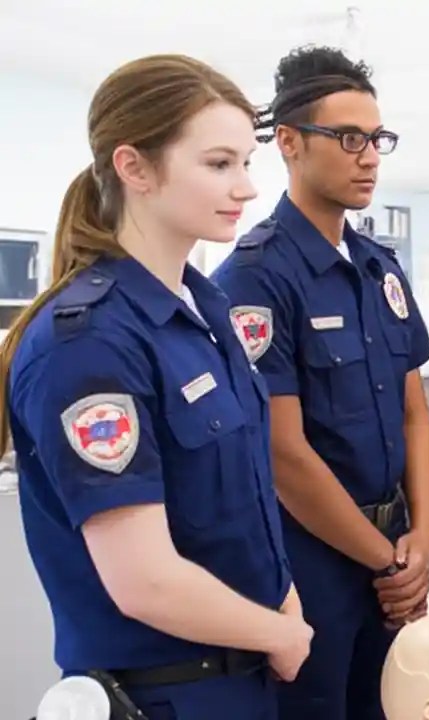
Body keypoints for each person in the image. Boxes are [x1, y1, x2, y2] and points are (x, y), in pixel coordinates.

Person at [0, 55, 312, 719]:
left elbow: (242, 502)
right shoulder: (89, 344)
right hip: (163, 694)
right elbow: (144, 581)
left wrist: (283, 602)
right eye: (219, 164)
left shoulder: (205, 311)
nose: (246, 188)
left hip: (244, 675)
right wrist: (281, 634)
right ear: (134, 168)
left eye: (245, 163)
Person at [210, 46, 429, 720]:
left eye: (376, 139)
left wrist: (424, 538)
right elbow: (284, 454)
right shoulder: (255, 278)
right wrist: (387, 562)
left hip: (394, 544)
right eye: (348, 138)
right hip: (311, 560)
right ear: (288, 142)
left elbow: (415, 411)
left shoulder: (379, 268)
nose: (369, 158)